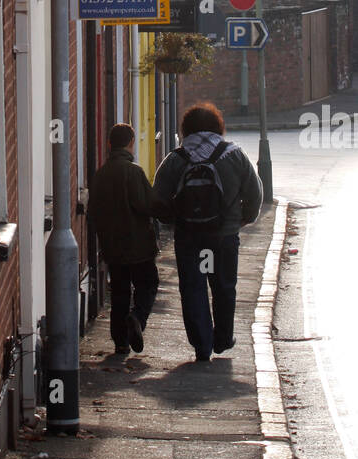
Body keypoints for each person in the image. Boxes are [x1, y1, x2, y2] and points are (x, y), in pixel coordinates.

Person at [153, 102, 262, 363]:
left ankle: (202, 344)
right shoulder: (234, 155)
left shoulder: (176, 159)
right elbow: (255, 194)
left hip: (189, 236)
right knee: (224, 286)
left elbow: (157, 199)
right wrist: (242, 219)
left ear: (186, 129)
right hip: (223, 236)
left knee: (193, 288)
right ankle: (223, 338)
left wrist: (173, 220)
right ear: (218, 127)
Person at [88, 123, 159, 357]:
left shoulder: (100, 175)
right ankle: (137, 318)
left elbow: (93, 213)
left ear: (110, 144)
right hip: (139, 246)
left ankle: (120, 342)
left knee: (119, 292)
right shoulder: (134, 172)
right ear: (130, 143)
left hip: (113, 248)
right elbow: (147, 205)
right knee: (147, 285)